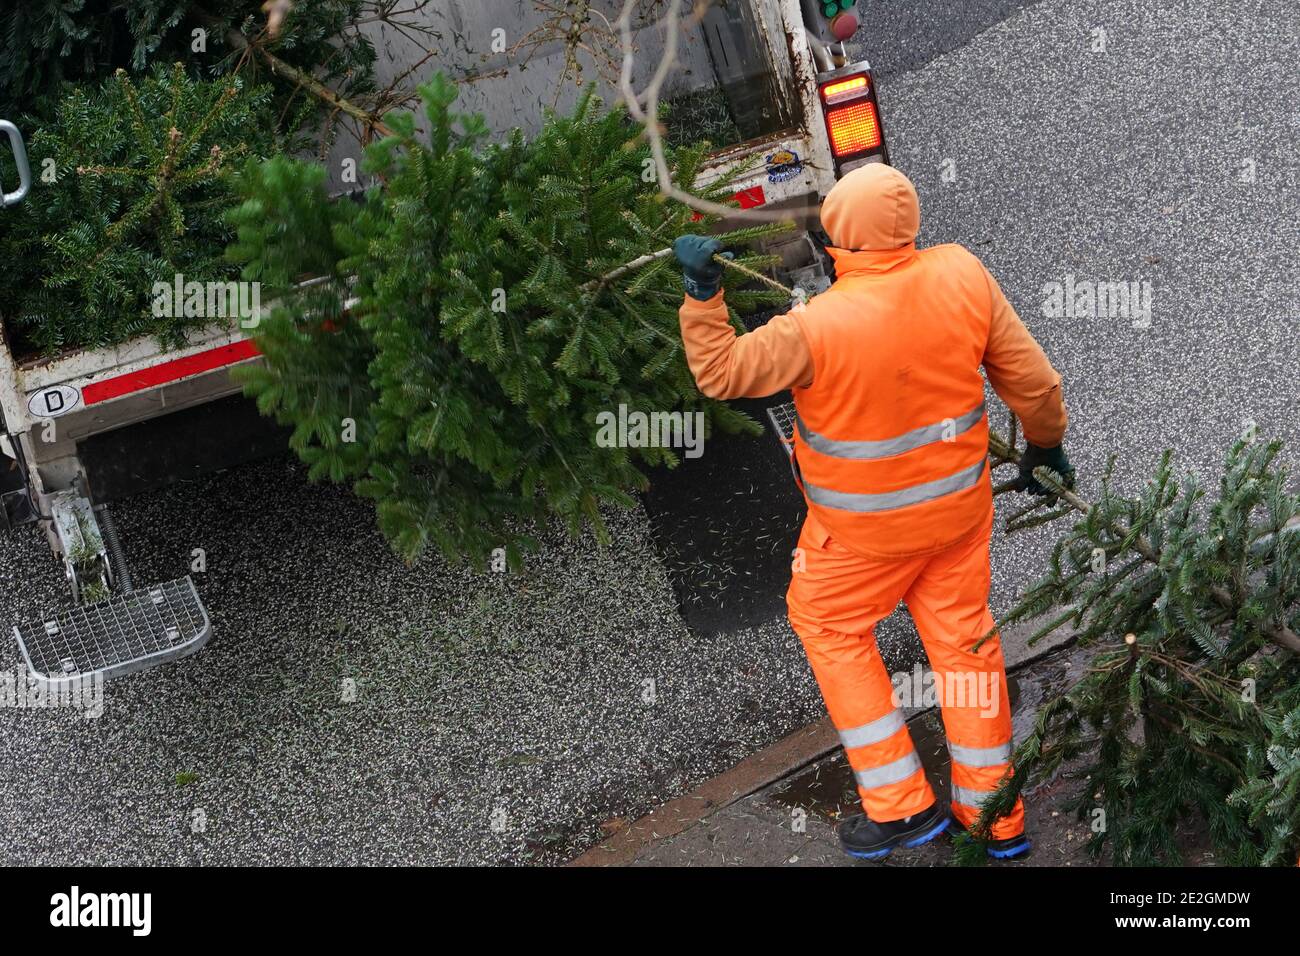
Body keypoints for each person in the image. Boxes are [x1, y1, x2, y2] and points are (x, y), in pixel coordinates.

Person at [672, 162, 1072, 860]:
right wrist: (1045, 447)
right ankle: (993, 818)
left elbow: (723, 373)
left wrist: (702, 294)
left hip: (860, 538)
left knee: (827, 624)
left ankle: (900, 806)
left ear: (835, 244)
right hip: (956, 518)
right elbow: (1032, 381)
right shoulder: (962, 276)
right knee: (964, 646)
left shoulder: (814, 327)